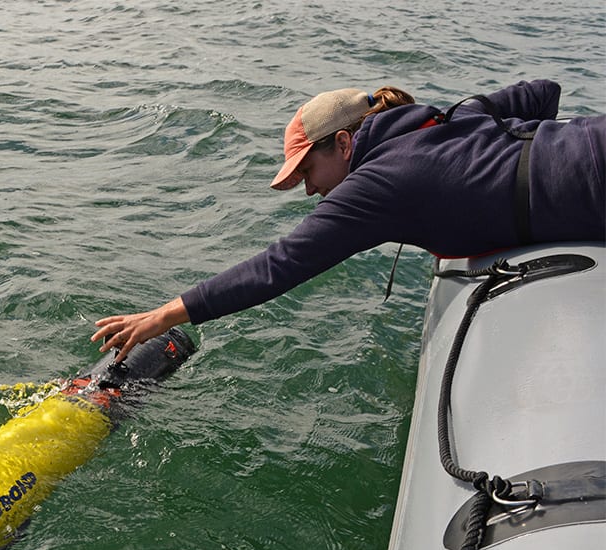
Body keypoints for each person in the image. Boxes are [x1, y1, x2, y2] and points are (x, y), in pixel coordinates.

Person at [91, 79, 606, 359]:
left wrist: (162, 317)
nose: (309, 188)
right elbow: (543, 92)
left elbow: (280, 265)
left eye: (307, 171)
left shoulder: (379, 183)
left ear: (343, 142)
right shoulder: (441, 120)